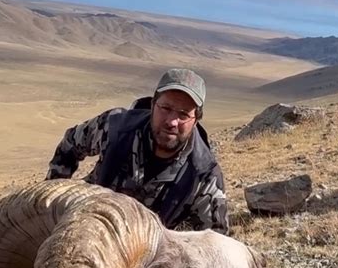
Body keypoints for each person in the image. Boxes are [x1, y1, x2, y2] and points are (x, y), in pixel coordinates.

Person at [46, 68, 229, 233]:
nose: (172, 122)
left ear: (196, 120)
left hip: (146, 256)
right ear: (152, 105)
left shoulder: (205, 175)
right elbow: (71, 142)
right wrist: (51, 202)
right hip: (87, 226)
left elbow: (216, 243)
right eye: (166, 108)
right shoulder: (115, 126)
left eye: (183, 114)